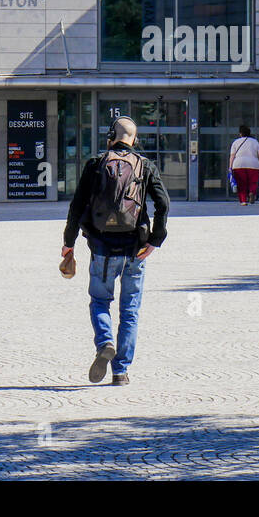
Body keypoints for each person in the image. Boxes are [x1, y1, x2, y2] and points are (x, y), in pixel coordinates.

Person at [62, 116, 170, 386]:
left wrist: (69, 242)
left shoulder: (96, 164)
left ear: (111, 136)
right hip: (136, 249)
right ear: (134, 139)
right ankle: (120, 372)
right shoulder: (145, 166)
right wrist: (156, 240)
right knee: (130, 310)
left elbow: (76, 206)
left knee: (100, 301)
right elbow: (164, 203)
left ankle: (105, 341)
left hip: (102, 248)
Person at [228, 125, 259, 206]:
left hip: (239, 165)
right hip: (253, 165)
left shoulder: (236, 142)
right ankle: (252, 192)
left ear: (240, 133)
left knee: (241, 184)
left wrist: (230, 166)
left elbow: (232, 155)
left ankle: (243, 201)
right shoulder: (255, 142)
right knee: (253, 182)